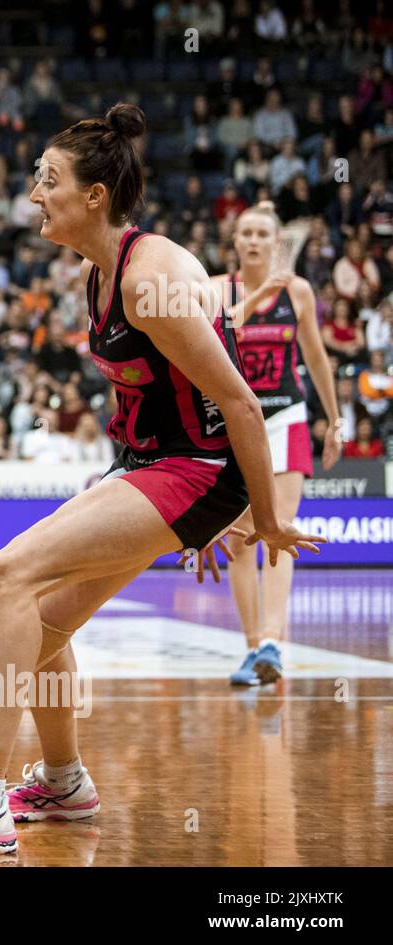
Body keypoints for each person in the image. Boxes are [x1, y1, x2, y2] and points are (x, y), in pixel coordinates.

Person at [0, 104, 323, 859]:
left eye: (47, 180)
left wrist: (255, 514)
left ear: (95, 195)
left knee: (11, 570)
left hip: (199, 469)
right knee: (45, 621)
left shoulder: (151, 276)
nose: (32, 194)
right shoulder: (98, 273)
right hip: (152, 466)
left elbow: (239, 403)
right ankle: (62, 782)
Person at [212, 202, 342, 685]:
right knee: (240, 541)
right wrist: (262, 290)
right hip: (235, 421)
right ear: (235, 242)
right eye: (244, 233)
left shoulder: (300, 292)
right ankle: (252, 649)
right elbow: (219, 331)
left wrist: (335, 417)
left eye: (262, 234)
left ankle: (272, 644)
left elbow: (316, 357)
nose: (252, 241)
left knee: (280, 530)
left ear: (275, 242)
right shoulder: (217, 289)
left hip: (286, 416)